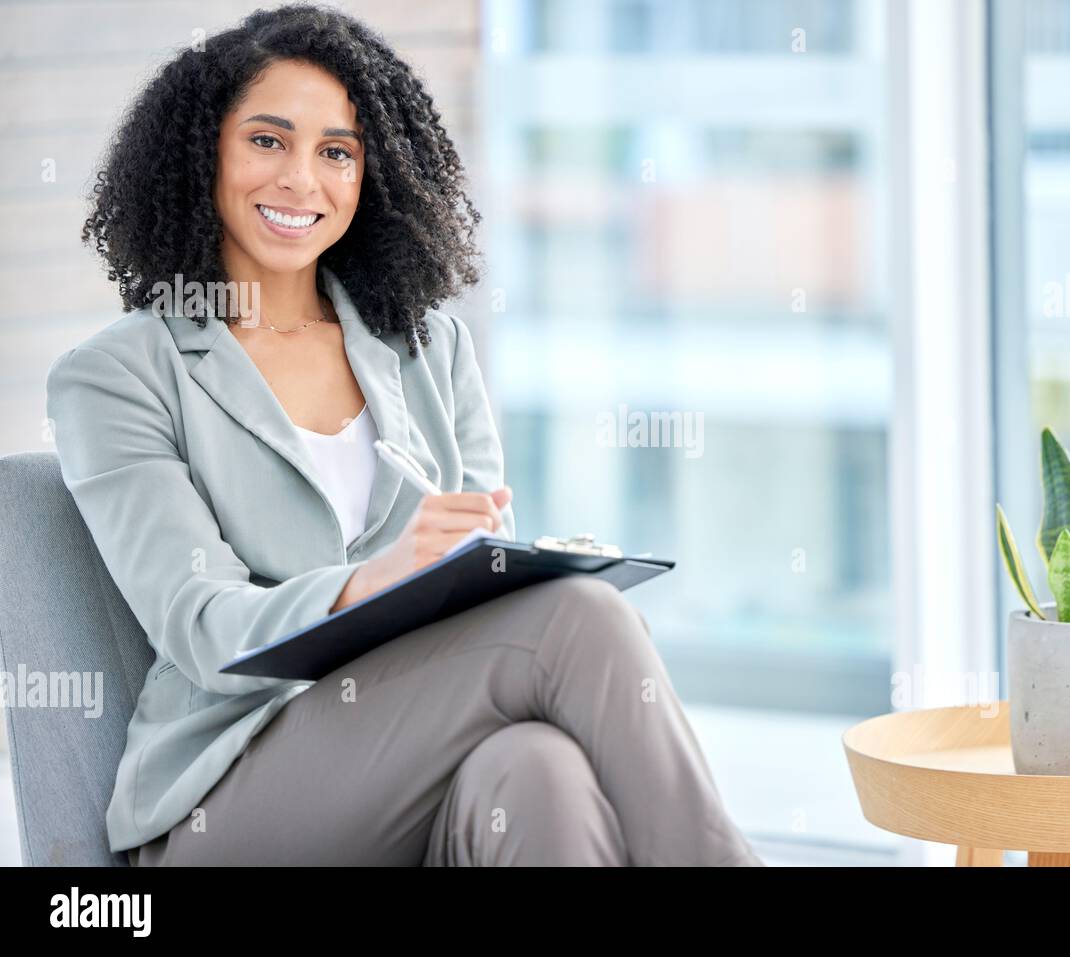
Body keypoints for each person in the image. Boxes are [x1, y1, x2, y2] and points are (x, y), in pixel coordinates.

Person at [47, 3, 762, 866]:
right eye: (267, 141)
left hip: (413, 758)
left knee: (540, 770)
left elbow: (481, 578)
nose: (302, 180)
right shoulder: (119, 375)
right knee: (576, 617)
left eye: (336, 152)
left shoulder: (429, 346)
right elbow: (203, 629)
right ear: (203, 153)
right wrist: (371, 581)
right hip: (230, 800)